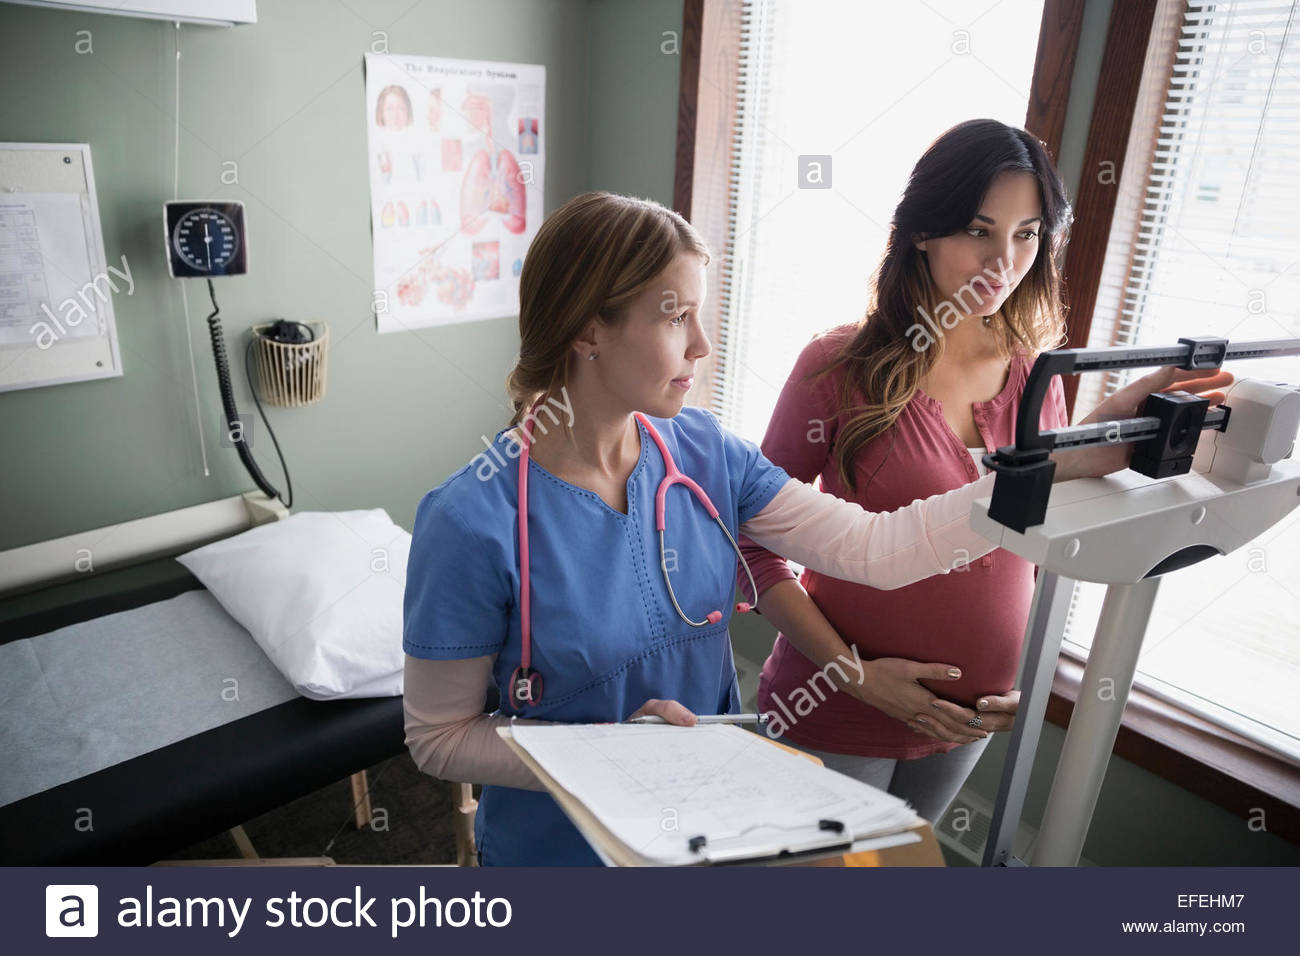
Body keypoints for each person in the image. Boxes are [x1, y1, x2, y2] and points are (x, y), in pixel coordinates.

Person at [401, 190, 1216, 866]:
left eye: (702, 314)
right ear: (588, 330)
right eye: (674, 316)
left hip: (704, 837)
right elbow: (438, 738)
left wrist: (1079, 453)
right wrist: (608, 755)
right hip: (562, 856)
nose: (704, 345)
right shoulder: (472, 520)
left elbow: (877, 548)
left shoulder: (704, 452)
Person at [739, 119, 1232, 826]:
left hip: (969, 719)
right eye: (979, 229)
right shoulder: (837, 366)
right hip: (835, 703)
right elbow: (751, 541)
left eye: (1028, 234)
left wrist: (1026, 676)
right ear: (921, 231)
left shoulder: (1037, 375)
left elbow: (1037, 542)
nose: (1004, 259)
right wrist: (856, 676)